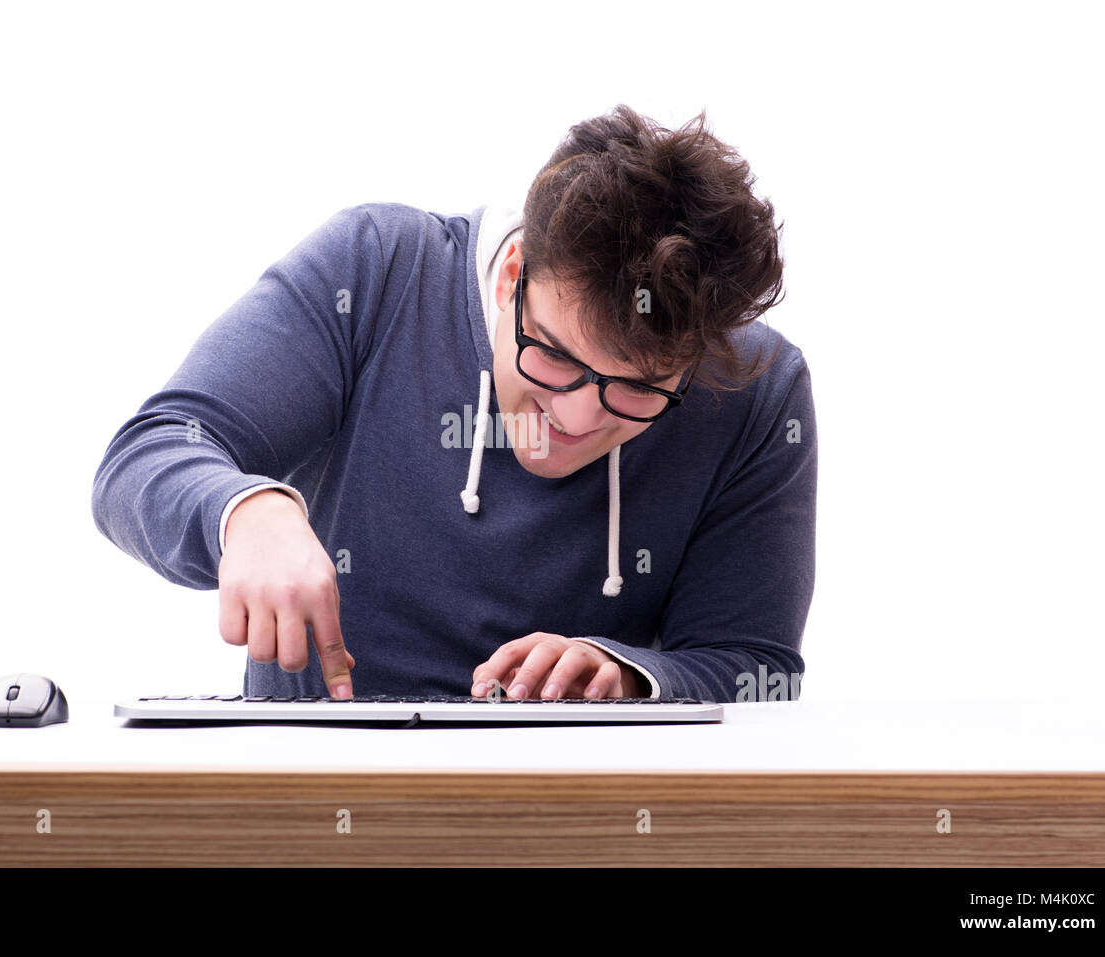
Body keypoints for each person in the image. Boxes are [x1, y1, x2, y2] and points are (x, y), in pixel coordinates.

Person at [91, 104, 817, 703]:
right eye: (556, 355)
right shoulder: (375, 271)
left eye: (638, 388)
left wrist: (635, 676)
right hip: (317, 811)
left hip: (585, 825)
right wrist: (245, 511)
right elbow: (145, 454)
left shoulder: (755, 387)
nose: (576, 417)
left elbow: (758, 669)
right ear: (510, 275)